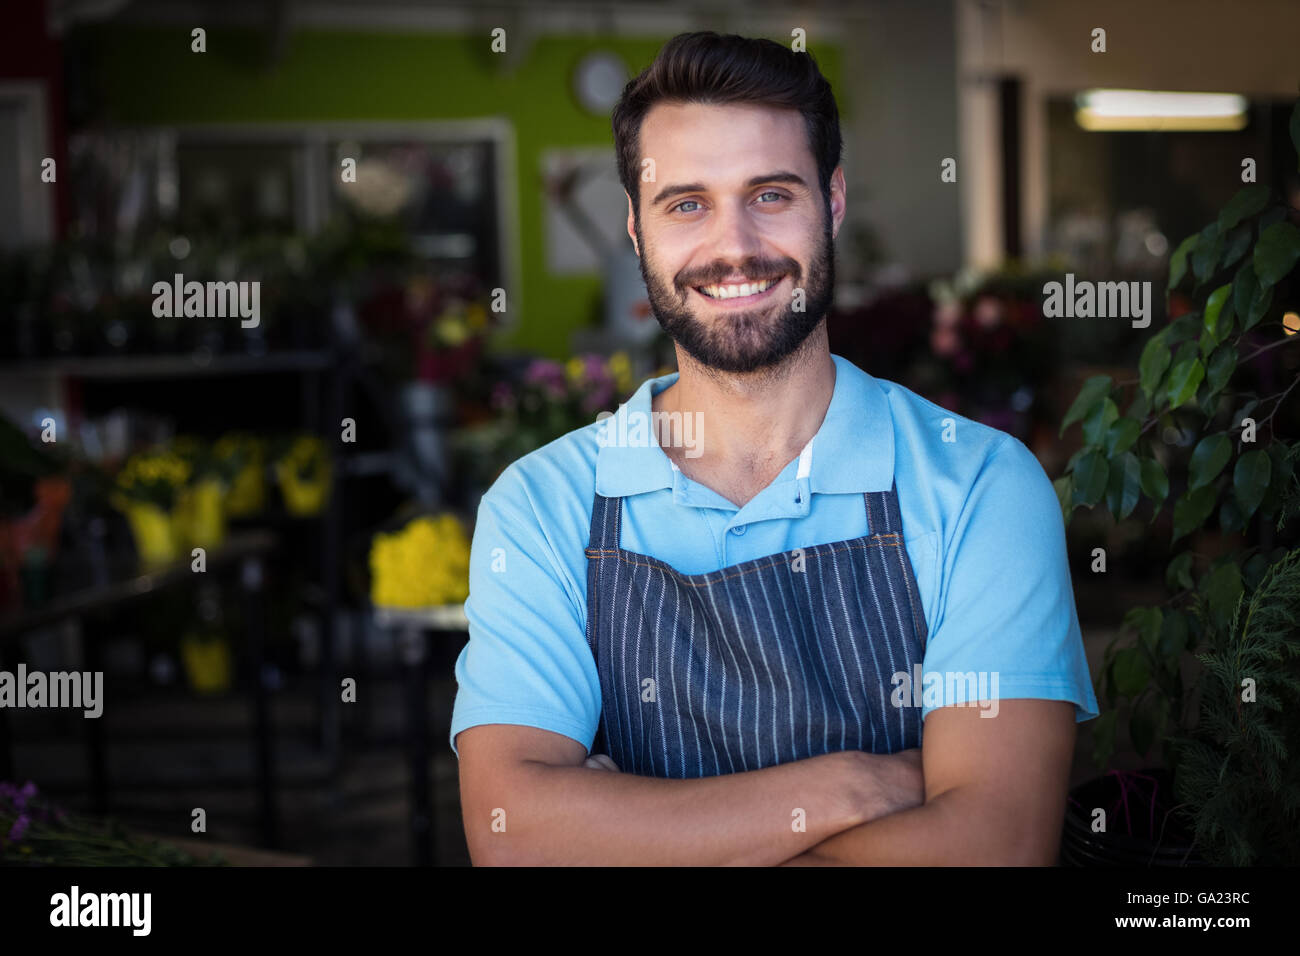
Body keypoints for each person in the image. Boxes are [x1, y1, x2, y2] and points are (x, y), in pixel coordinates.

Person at [451, 31, 1098, 866]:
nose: (735, 248)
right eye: (687, 203)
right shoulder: (543, 505)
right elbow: (515, 838)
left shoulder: (979, 486)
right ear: (637, 231)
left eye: (770, 194)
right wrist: (857, 789)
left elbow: (995, 847)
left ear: (830, 204)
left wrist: (624, 830)